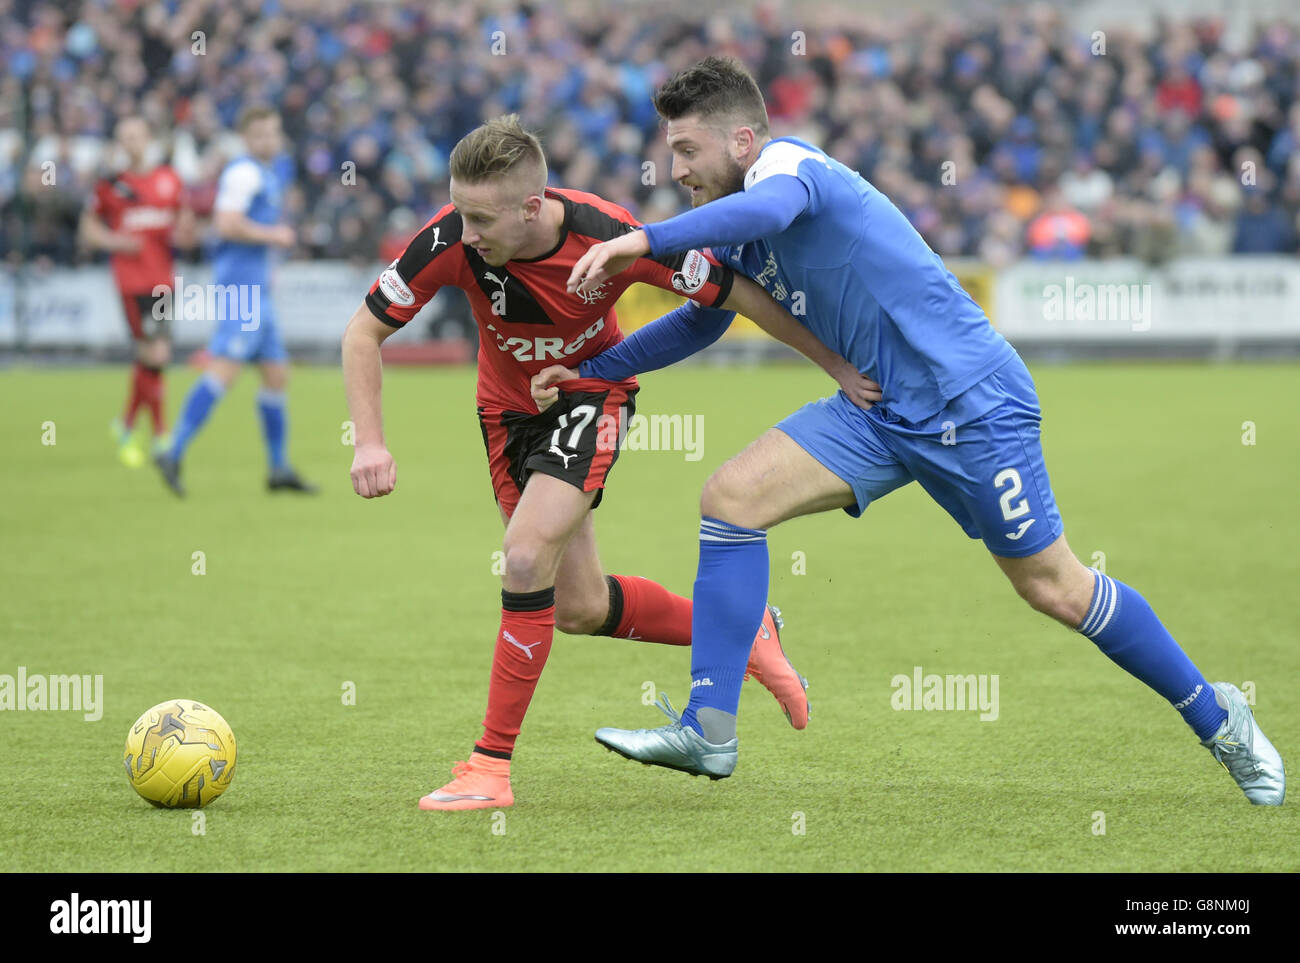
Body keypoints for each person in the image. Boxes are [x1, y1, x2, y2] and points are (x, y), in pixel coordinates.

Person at [544, 56, 1283, 804]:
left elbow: (769, 212)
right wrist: (595, 371)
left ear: (741, 141)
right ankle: (709, 729)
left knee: (1054, 587)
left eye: (687, 151)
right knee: (731, 499)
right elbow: (703, 319)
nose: (676, 170)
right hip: (876, 408)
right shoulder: (731, 230)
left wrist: (646, 239)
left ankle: (1218, 715)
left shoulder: (787, 166)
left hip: (971, 402)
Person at [343, 114, 882, 811]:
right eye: (460, 212)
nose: (465, 232)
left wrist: (834, 364)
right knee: (579, 606)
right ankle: (747, 632)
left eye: (480, 218)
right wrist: (369, 441)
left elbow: (735, 293)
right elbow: (363, 333)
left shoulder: (607, 235)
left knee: (525, 558)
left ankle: (489, 767)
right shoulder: (449, 239)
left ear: (531, 207)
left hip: (590, 397)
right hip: (505, 417)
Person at [154, 106, 315, 496]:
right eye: (260, 134)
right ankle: (173, 450)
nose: (268, 140)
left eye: (272, 133)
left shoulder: (267, 172)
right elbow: (226, 223)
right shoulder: (243, 173)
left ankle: (278, 469)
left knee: (276, 375)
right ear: (245, 138)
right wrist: (274, 235)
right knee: (225, 368)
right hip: (241, 289)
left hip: (258, 290)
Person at [80, 116, 191, 466]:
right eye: (124, 137)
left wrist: (185, 233)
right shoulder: (111, 184)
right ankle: (159, 434)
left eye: (136, 136)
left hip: (163, 280)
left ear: (148, 138)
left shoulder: (168, 179)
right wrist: (114, 241)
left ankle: (126, 425)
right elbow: (88, 228)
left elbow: (184, 223)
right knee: (156, 354)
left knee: (152, 357)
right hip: (132, 282)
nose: (131, 143)